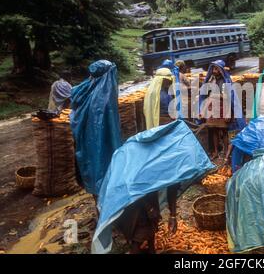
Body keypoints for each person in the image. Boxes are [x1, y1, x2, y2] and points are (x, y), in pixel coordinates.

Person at [92, 120, 214, 254]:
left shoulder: (171, 160)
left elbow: (172, 187)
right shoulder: (142, 155)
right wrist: (149, 209)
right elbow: (134, 185)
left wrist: (172, 216)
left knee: (151, 228)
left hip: (146, 196)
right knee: (138, 235)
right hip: (127, 194)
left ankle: (151, 248)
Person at [70, 60, 122, 197]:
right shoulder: (103, 97)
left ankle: (99, 201)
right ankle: (105, 209)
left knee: (92, 169)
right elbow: (109, 127)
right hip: (100, 141)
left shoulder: (83, 90)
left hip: (84, 140)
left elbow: (74, 114)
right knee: (102, 167)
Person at [199, 60, 246, 160]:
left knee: (224, 131)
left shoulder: (226, 81)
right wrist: (203, 110)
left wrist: (228, 112)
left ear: (221, 70)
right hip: (212, 108)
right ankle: (216, 151)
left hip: (223, 107)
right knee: (214, 130)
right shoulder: (211, 80)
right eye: (213, 69)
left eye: (216, 69)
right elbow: (207, 96)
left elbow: (228, 97)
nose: (214, 71)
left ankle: (225, 152)